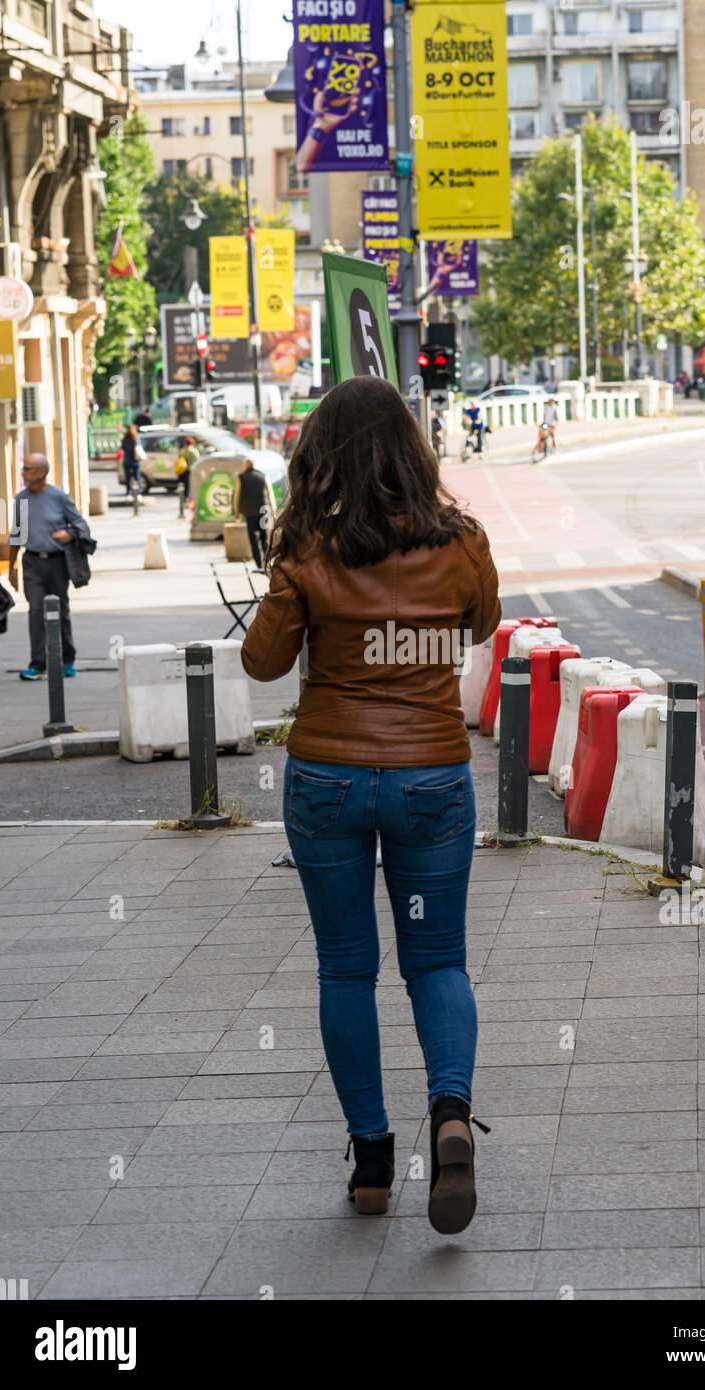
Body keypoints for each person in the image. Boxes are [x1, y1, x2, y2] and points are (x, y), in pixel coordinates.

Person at [241, 375, 501, 1234]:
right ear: (413, 451)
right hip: (431, 778)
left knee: (346, 967)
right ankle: (453, 1114)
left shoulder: (310, 548)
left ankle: (373, 1164)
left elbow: (262, 665)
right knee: (438, 962)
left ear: (322, 455)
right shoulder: (460, 539)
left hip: (328, 782)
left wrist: (286, 575)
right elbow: (478, 624)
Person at [7, 454, 89, 680]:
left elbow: (81, 524)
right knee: (35, 611)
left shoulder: (59, 497)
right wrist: (12, 567)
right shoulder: (21, 500)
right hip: (32, 562)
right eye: (24, 469)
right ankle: (38, 664)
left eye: (28, 469)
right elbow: (16, 536)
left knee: (60, 609)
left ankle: (68, 659)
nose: (24, 473)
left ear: (42, 472)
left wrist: (69, 533)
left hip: (57, 562)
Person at [233, 457, 274, 570]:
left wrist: (236, 512)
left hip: (249, 512)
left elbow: (236, 496)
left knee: (253, 538)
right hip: (263, 510)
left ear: (245, 466)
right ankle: (267, 562)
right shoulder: (263, 476)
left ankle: (259, 565)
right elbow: (270, 493)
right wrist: (273, 509)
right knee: (264, 537)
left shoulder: (240, 477)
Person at [176, 434, 199, 503]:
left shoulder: (183, 451)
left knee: (184, 487)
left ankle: (184, 499)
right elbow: (198, 460)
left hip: (183, 471)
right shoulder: (195, 451)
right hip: (192, 470)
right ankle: (192, 500)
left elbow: (179, 459)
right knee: (191, 486)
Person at [120, 424, 140, 495]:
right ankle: (138, 492)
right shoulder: (135, 439)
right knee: (137, 477)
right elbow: (138, 448)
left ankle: (128, 491)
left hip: (127, 461)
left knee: (128, 478)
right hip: (134, 461)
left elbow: (122, 448)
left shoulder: (124, 439)